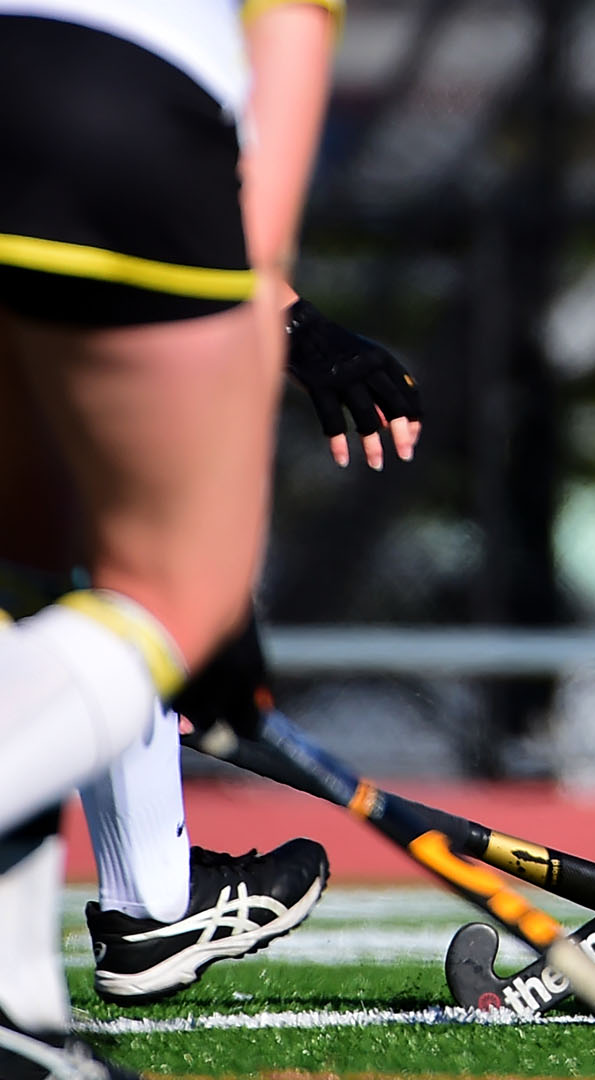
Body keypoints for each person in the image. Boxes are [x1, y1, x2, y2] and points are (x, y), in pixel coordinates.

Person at [0, 0, 411, 1072]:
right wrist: (207, 595)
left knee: (30, 560)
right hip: (115, 112)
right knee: (159, 593)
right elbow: (250, 234)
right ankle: (136, 918)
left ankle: (23, 1011)